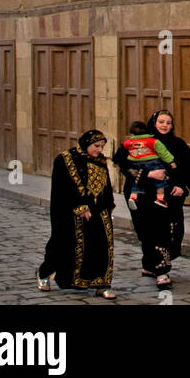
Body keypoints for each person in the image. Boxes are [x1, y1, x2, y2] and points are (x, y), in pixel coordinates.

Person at [114, 108, 190, 289]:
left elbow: (189, 167)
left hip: (169, 195)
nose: (164, 125)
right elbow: (122, 162)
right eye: (161, 122)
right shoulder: (140, 141)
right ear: (153, 123)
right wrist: (148, 174)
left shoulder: (178, 144)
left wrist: (182, 186)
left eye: (168, 123)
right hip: (141, 193)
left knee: (172, 231)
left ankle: (149, 265)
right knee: (151, 231)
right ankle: (161, 272)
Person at [37, 128, 116, 298]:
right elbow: (61, 187)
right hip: (69, 212)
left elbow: (106, 186)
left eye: (102, 146)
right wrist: (80, 206)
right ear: (87, 143)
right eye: (96, 146)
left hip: (98, 211)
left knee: (100, 245)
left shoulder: (100, 161)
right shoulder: (66, 159)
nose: (99, 150)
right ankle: (45, 274)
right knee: (63, 245)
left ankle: (101, 284)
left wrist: (108, 206)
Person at [121, 120, 175, 207]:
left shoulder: (128, 142)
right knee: (160, 179)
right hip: (152, 162)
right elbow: (163, 152)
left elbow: (120, 154)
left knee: (137, 181)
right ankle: (160, 198)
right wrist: (171, 161)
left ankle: (133, 196)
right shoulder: (152, 141)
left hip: (136, 163)